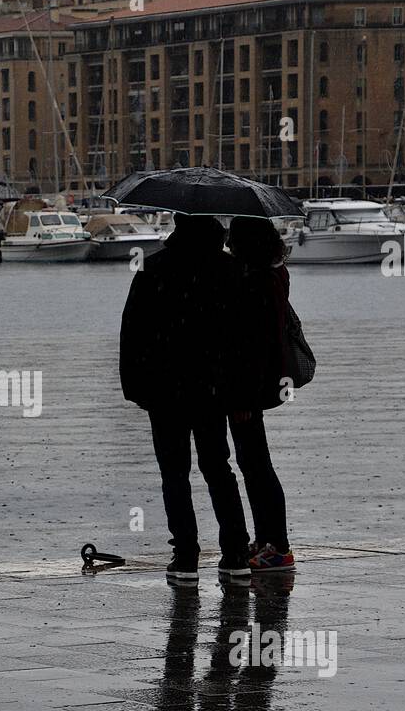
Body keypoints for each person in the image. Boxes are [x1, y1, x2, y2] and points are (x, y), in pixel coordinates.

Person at [120, 213, 254, 582]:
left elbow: (132, 333)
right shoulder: (230, 270)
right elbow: (244, 341)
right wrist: (242, 394)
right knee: (218, 469)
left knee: (174, 473)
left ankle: (186, 557)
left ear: (177, 224)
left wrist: (136, 388)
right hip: (213, 390)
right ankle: (236, 553)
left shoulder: (153, 268)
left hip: (165, 391)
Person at [223, 216, 294, 573]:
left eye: (233, 240)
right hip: (262, 385)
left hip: (249, 391)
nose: (229, 246)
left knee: (256, 467)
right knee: (255, 465)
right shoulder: (276, 273)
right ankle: (268, 539)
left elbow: (251, 347)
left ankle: (276, 544)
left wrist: (243, 400)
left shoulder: (258, 283)